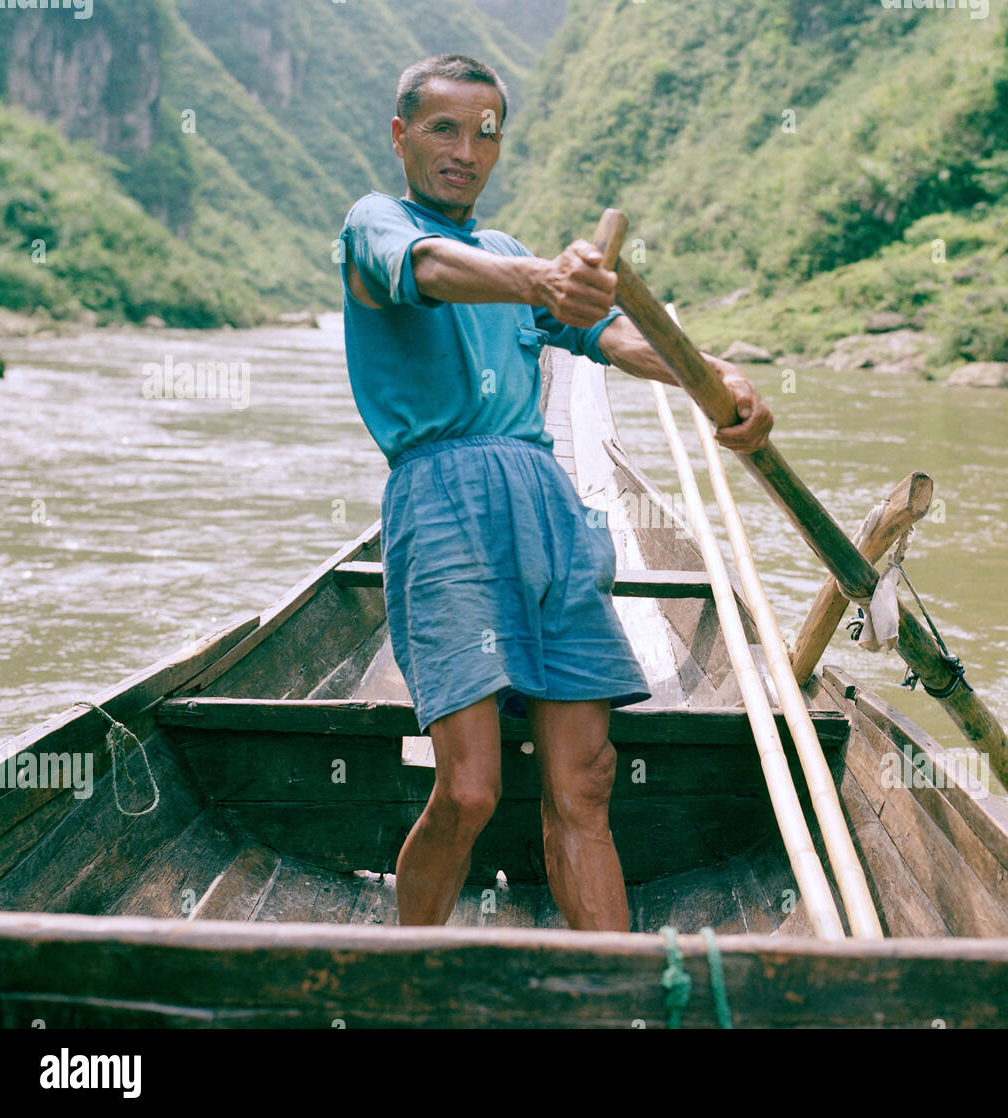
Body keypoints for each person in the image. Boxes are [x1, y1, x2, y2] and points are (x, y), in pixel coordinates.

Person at [339, 54, 773, 931]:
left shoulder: (508, 255)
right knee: (468, 791)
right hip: (445, 508)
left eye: (484, 132)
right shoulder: (376, 225)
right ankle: (408, 974)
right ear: (401, 136)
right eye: (443, 129)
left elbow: (612, 337)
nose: (465, 149)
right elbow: (424, 269)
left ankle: (608, 997)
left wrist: (714, 379)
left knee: (585, 781)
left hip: (548, 510)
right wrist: (542, 279)